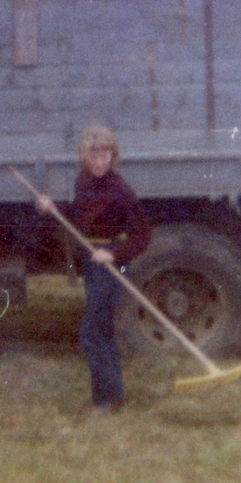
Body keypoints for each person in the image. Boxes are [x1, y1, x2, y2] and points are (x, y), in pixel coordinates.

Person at [36, 125, 151, 415]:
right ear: (84, 158)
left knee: (91, 332)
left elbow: (142, 235)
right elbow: (78, 216)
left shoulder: (120, 190)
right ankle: (113, 396)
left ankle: (105, 401)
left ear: (113, 156)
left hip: (112, 263)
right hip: (92, 261)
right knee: (101, 329)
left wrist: (113, 254)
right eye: (94, 157)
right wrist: (53, 207)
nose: (100, 162)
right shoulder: (84, 181)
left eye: (105, 156)